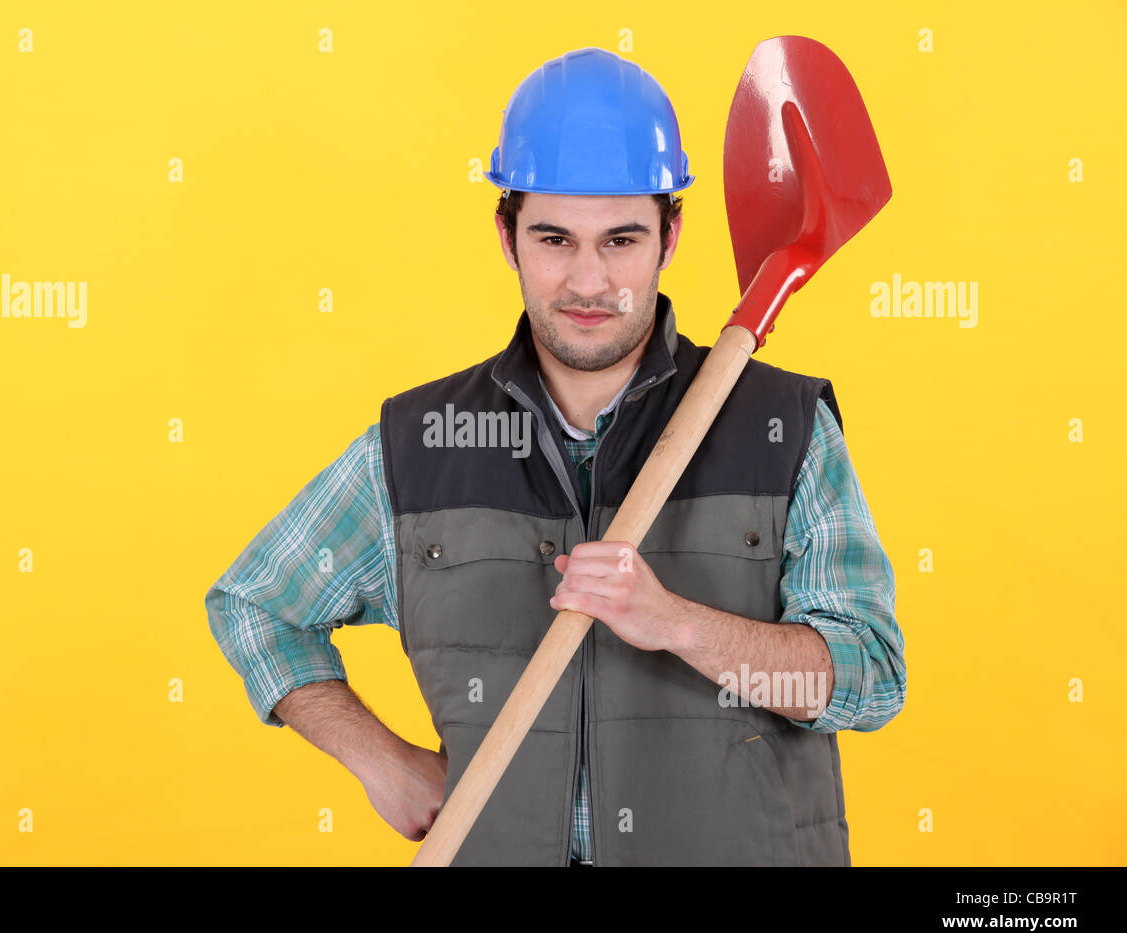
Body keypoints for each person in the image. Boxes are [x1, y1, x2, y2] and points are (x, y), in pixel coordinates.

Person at [205, 47, 906, 866]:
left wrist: (676, 624)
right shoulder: (421, 445)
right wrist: (379, 760)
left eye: (620, 239)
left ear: (669, 236)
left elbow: (868, 680)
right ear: (507, 237)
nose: (588, 279)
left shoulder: (780, 428)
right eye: (553, 237)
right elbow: (255, 605)